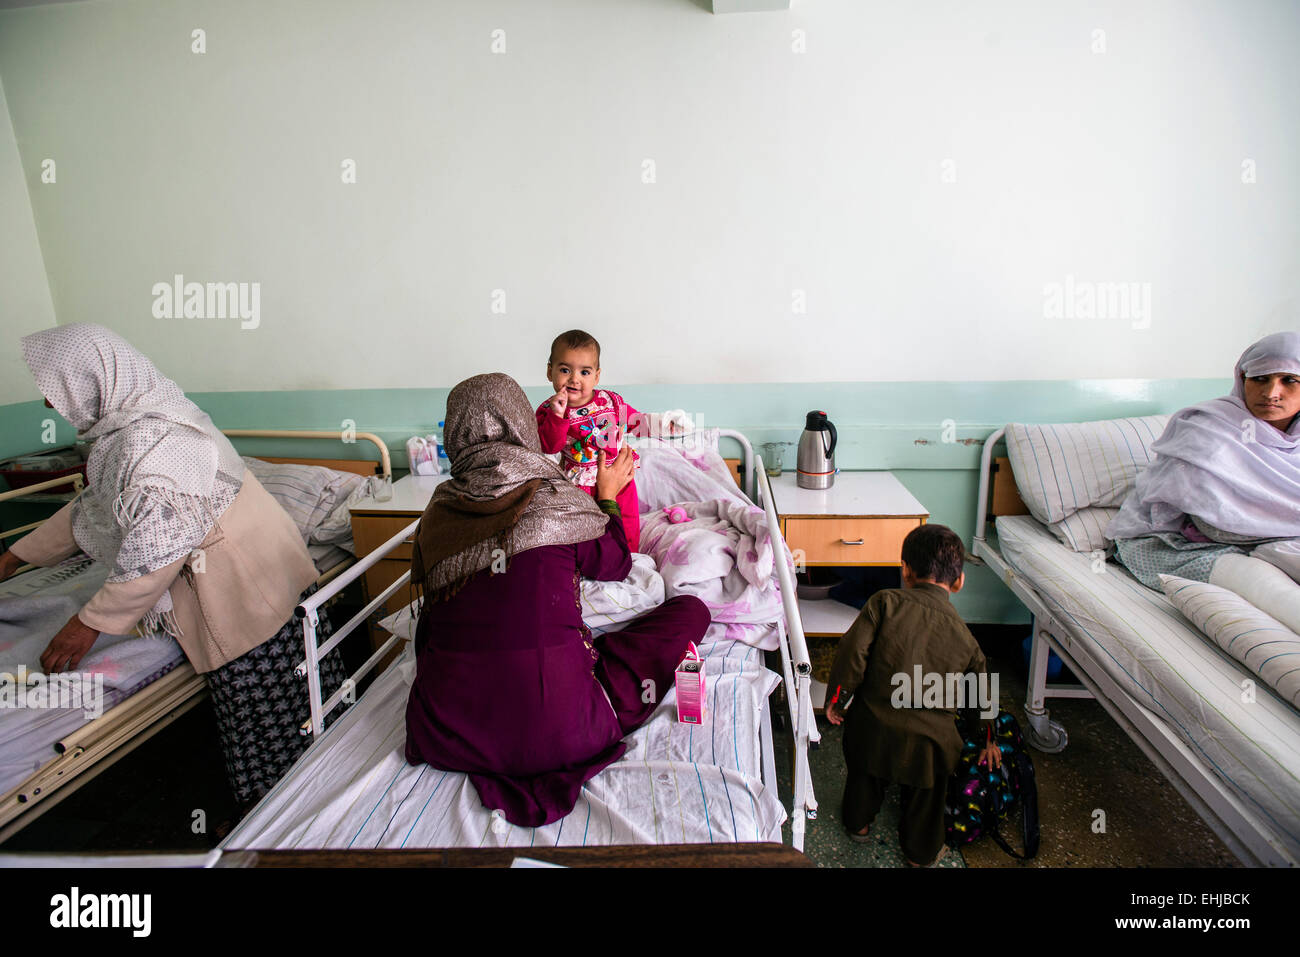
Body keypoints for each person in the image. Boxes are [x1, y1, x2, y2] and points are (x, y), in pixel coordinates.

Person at [0, 323, 344, 808]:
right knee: (296, 696)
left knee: (266, 709)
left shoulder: (158, 442)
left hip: (241, 584)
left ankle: (280, 819)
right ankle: (300, 801)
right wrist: (14, 558)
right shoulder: (135, 425)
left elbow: (154, 551)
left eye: (57, 391)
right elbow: (95, 508)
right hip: (258, 571)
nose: (49, 405)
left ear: (93, 380)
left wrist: (87, 624)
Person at [405, 372, 709, 827]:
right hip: (565, 728)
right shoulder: (553, 497)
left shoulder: (438, 514)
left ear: (457, 434)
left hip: (448, 731)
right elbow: (614, 565)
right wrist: (606, 498)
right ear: (523, 425)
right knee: (690, 611)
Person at [823, 524, 1000, 867]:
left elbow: (852, 653)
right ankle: (920, 854)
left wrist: (838, 699)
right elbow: (982, 692)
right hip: (931, 746)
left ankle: (858, 824)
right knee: (928, 796)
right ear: (959, 581)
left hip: (873, 729)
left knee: (864, 773)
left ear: (905, 570)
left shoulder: (884, 603)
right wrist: (987, 738)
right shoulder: (967, 638)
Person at [1107, 331, 1300, 588]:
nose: (1271, 392)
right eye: (1260, 378)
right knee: (1259, 577)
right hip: (1193, 543)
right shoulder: (1207, 428)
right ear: (1243, 380)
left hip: (1275, 542)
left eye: (1289, 380)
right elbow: (1210, 523)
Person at [536, 330, 644, 551]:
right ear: (550, 372)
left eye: (584, 372)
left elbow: (635, 421)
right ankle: (592, 559)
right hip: (580, 484)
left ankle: (630, 556)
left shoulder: (610, 401)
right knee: (587, 530)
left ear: (596, 376)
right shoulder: (548, 410)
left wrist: (664, 424)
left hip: (620, 477)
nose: (574, 379)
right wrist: (558, 416)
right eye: (565, 370)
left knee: (628, 522)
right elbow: (549, 445)